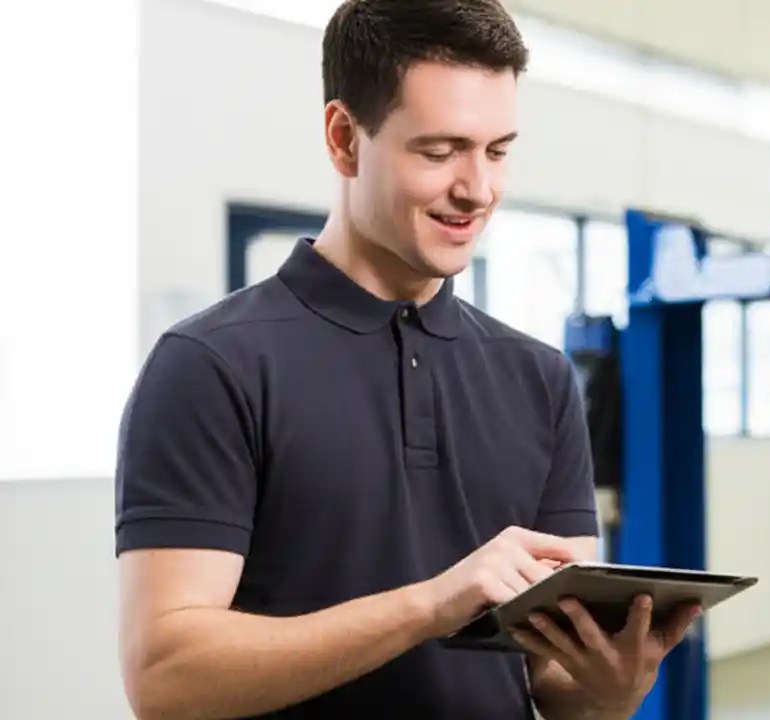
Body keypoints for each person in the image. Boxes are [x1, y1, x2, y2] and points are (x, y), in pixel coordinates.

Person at [114, 1, 699, 718]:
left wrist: (614, 688)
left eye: (497, 150)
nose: (478, 189)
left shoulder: (538, 378)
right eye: (439, 150)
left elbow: (554, 684)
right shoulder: (211, 366)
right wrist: (430, 605)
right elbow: (166, 679)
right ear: (343, 139)